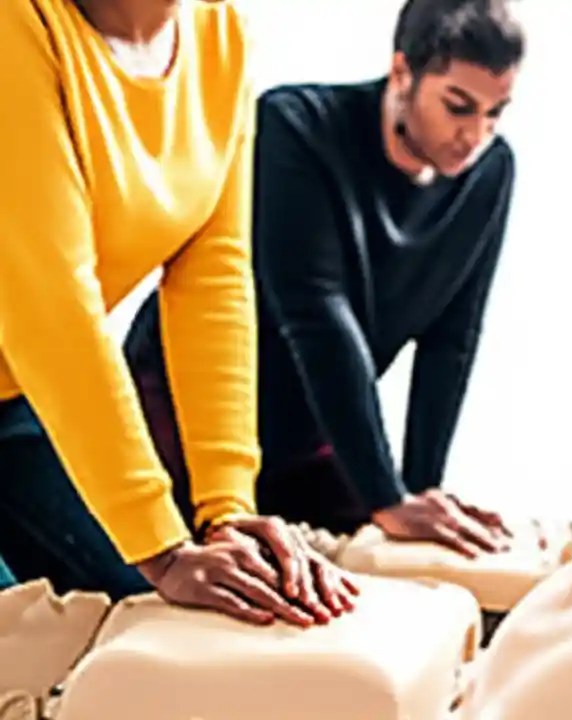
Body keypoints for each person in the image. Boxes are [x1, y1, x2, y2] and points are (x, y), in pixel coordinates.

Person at [123, 0, 521, 559]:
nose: (474, 135)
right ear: (403, 72)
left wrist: (421, 491)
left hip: (306, 433)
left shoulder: (491, 173)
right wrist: (388, 496)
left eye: (495, 113)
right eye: (458, 107)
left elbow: (451, 339)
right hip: (182, 409)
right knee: (162, 573)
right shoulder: (295, 128)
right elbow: (317, 315)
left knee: (380, 557)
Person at [0, 0, 356, 626]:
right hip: (33, 361)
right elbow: (49, 300)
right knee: (16, 648)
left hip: (14, 400)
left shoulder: (221, 37)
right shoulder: (17, 26)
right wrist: (162, 549)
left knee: (155, 620)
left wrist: (226, 509)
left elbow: (213, 274)